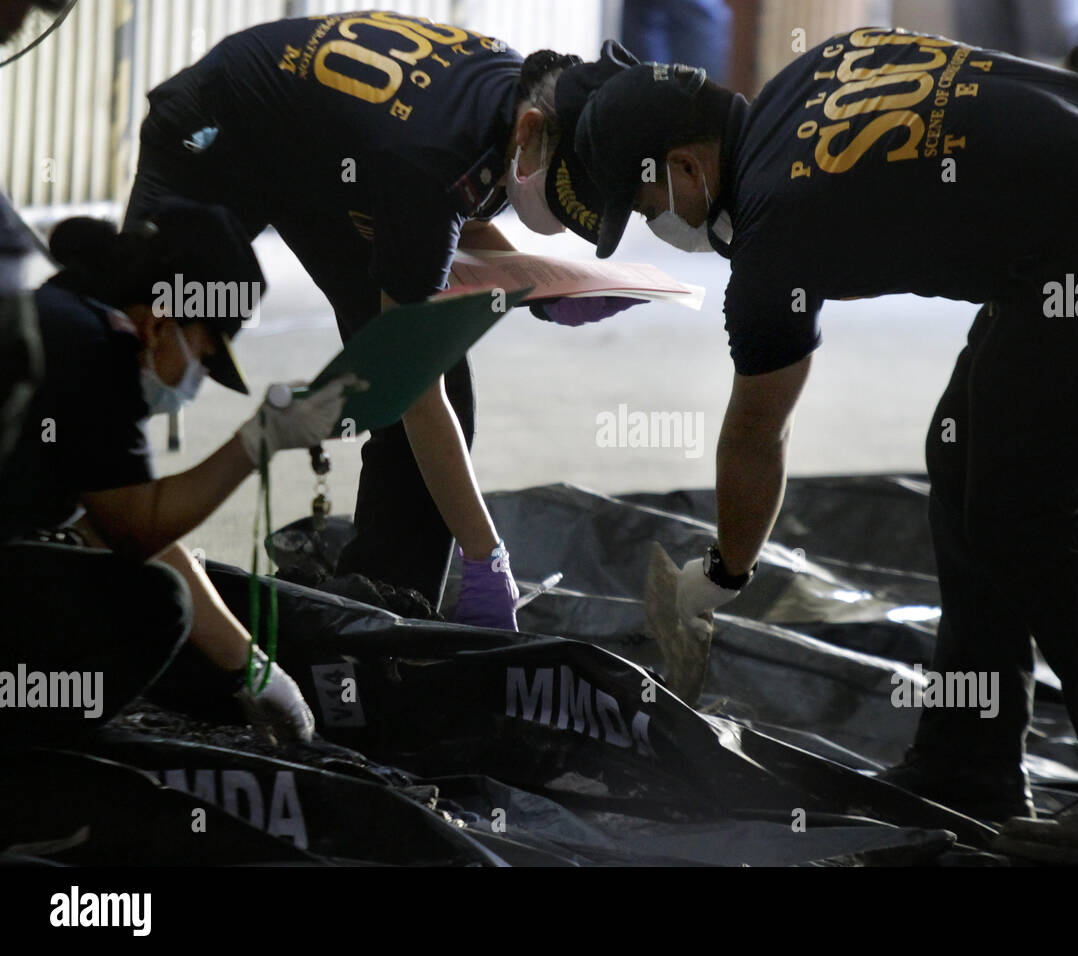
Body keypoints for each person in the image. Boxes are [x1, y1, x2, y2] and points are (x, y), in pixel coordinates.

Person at [570, 27, 1078, 821]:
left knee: (1021, 515)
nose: (659, 223)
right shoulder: (808, 76)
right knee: (961, 462)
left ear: (686, 166)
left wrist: (721, 574)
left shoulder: (772, 232)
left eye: (650, 207)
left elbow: (758, 432)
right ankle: (970, 762)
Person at [123, 12, 641, 630]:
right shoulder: (432, 154)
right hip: (212, 130)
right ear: (531, 130)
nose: (558, 212)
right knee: (139, 339)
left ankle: (382, 612)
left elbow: (453, 212)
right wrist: (485, 555)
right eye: (562, 194)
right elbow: (413, 368)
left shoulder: (508, 91)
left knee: (431, 383)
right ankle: (72, 512)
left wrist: (543, 283)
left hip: (323, 156)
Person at [0, 198, 360, 746]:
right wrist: (255, 442)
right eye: (205, 351)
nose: (197, 378)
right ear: (163, 321)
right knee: (155, 605)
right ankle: (28, 764)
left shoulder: (65, 310)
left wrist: (257, 671)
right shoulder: (99, 347)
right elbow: (136, 532)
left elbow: (119, 521)